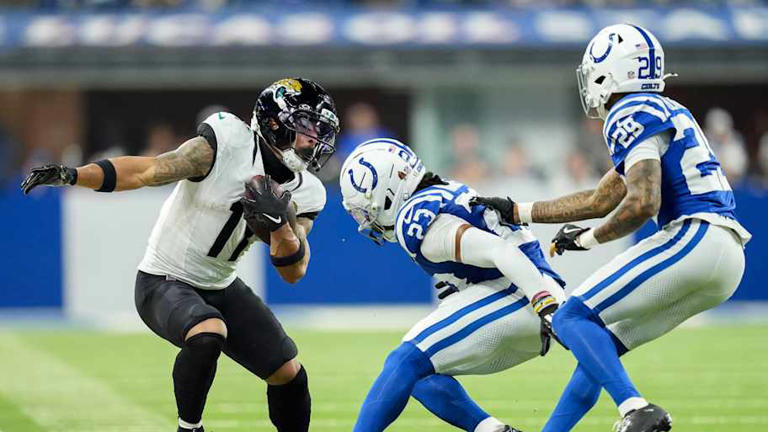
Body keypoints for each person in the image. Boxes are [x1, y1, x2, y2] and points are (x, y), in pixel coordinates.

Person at [20, 78, 341, 432]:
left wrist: (280, 224)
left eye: (320, 129)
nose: (316, 139)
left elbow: (293, 271)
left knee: (288, 373)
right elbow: (149, 171)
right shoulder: (227, 142)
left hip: (220, 285)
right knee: (208, 332)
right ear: (275, 123)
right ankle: (189, 429)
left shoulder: (307, 190)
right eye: (308, 127)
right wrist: (72, 175)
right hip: (164, 278)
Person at [474, 24, 751, 432]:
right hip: (726, 255)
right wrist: (519, 210)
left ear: (611, 72)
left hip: (695, 236)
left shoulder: (630, 110)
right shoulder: (665, 110)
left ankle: (636, 409)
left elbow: (643, 202)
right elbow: (601, 198)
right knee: (597, 350)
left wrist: (588, 239)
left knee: (569, 318)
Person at [339, 138, 567, 432]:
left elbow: (499, 250)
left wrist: (544, 303)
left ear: (387, 190)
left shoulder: (415, 217)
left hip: (525, 294)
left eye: (363, 208)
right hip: (523, 291)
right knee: (418, 375)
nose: (364, 219)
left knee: (404, 359)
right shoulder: (440, 191)